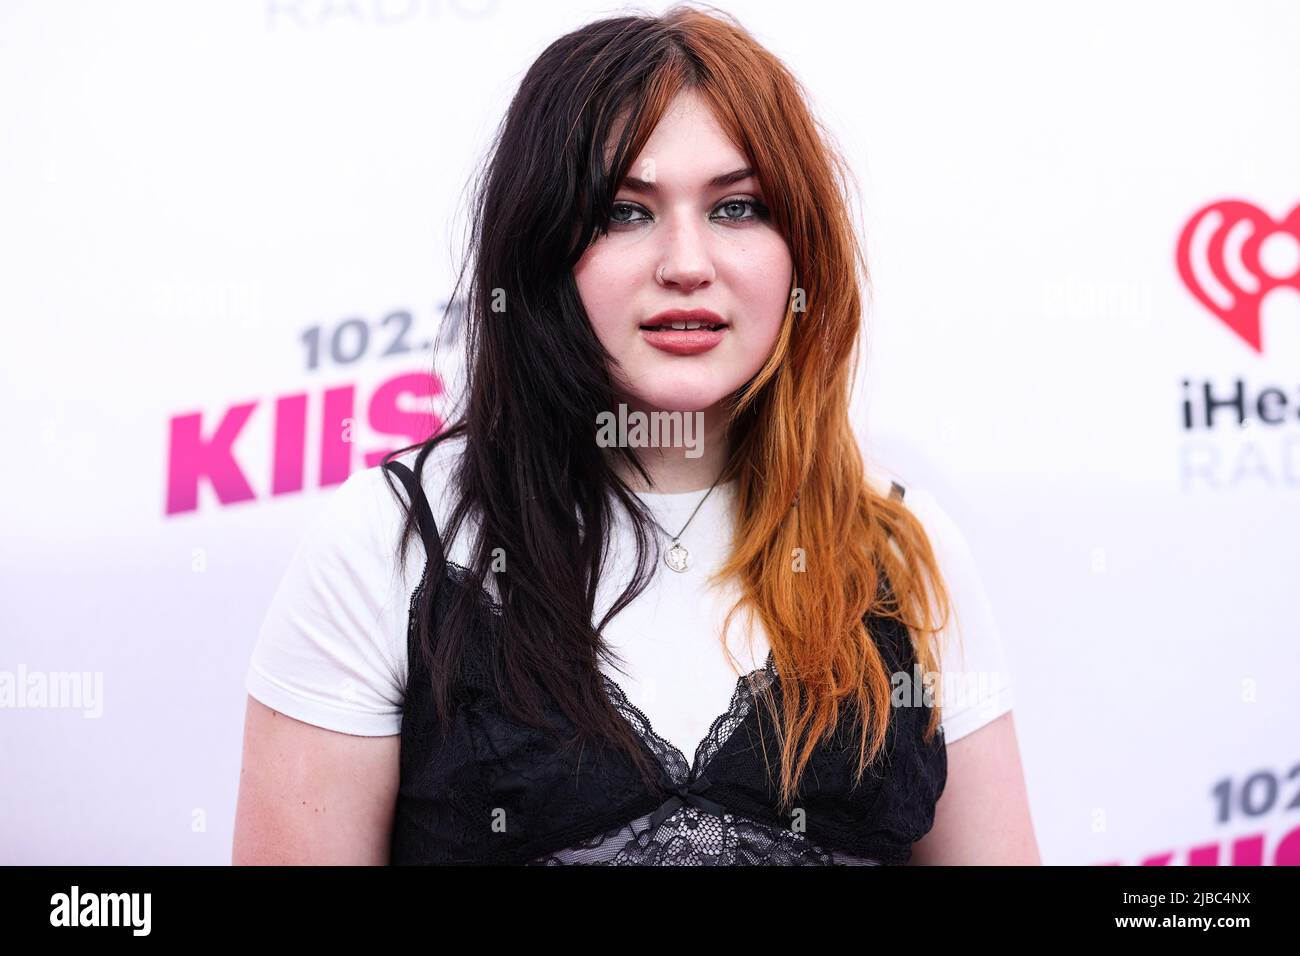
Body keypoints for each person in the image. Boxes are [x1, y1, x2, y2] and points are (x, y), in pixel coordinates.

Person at [233, 3, 1039, 865]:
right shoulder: (386, 548)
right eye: (624, 211)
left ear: (801, 247)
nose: (687, 263)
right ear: (539, 246)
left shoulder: (905, 556)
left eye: (737, 208)